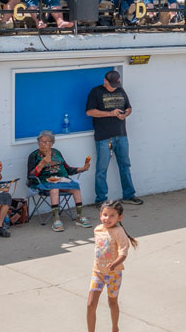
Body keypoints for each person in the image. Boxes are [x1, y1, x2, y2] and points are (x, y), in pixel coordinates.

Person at [85, 71, 142, 206]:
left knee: (125, 166)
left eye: (116, 85)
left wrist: (125, 114)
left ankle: (129, 195)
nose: (114, 88)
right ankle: (101, 200)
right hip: (104, 136)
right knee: (101, 169)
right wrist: (110, 113)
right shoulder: (96, 92)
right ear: (105, 81)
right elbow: (89, 112)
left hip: (121, 135)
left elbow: (129, 108)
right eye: (111, 85)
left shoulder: (121, 89)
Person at [27, 130, 93, 232]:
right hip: (45, 183)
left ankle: (80, 217)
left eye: (46, 142)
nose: (42, 144)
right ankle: (56, 220)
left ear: (52, 143)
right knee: (55, 188)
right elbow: (30, 176)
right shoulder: (34, 155)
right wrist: (42, 163)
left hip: (63, 180)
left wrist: (82, 168)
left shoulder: (57, 152)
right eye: (40, 141)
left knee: (75, 187)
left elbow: (68, 169)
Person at [87, 200, 138, 332]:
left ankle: (115, 328)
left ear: (120, 217)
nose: (107, 218)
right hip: (97, 272)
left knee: (112, 302)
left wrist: (114, 264)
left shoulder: (119, 232)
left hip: (114, 274)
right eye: (105, 215)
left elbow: (123, 253)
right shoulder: (97, 230)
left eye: (112, 215)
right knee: (90, 304)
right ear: (100, 215)